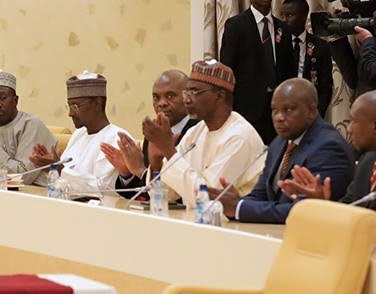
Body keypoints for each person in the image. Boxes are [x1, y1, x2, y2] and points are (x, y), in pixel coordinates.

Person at [209, 79, 353, 224]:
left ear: (312, 111)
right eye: (274, 110)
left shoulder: (329, 147)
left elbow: (306, 211)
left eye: (288, 109)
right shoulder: (279, 142)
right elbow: (261, 194)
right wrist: (236, 204)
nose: (279, 118)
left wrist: (239, 207)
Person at [150, 59, 265, 204]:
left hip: (235, 224)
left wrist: (168, 150)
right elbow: (167, 194)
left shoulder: (239, 136)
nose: (187, 99)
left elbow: (208, 199)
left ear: (220, 96)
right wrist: (156, 161)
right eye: (187, 92)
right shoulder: (195, 132)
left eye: (195, 91)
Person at [219, 0, 298, 144]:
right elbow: (226, 70)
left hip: (278, 110)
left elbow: (290, 72)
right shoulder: (236, 25)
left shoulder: (283, 28)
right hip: (247, 110)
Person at [28, 71, 133, 196]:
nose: (70, 113)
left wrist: (59, 169)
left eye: (75, 106)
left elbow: (106, 190)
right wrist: (50, 166)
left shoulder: (117, 138)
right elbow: (63, 183)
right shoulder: (79, 134)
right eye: (69, 106)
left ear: (97, 104)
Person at [100, 70, 199, 199]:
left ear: (187, 98)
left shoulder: (196, 132)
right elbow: (141, 195)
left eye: (170, 96)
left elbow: (184, 191)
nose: (161, 103)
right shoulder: (153, 134)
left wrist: (141, 171)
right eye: (156, 97)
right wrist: (127, 174)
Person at [281, 91, 376, 209]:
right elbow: (347, 209)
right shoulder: (367, 162)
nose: (349, 129)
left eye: (354, 121)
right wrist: (321, 203)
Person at [278, 0, 333, 116]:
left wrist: (316, 114)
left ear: (304, 16)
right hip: (282, 110)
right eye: (282, 16)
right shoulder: (277, 44)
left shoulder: (321, 46)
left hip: (309, 111)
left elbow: (326, 86)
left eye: (290, 15)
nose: (284, 20)